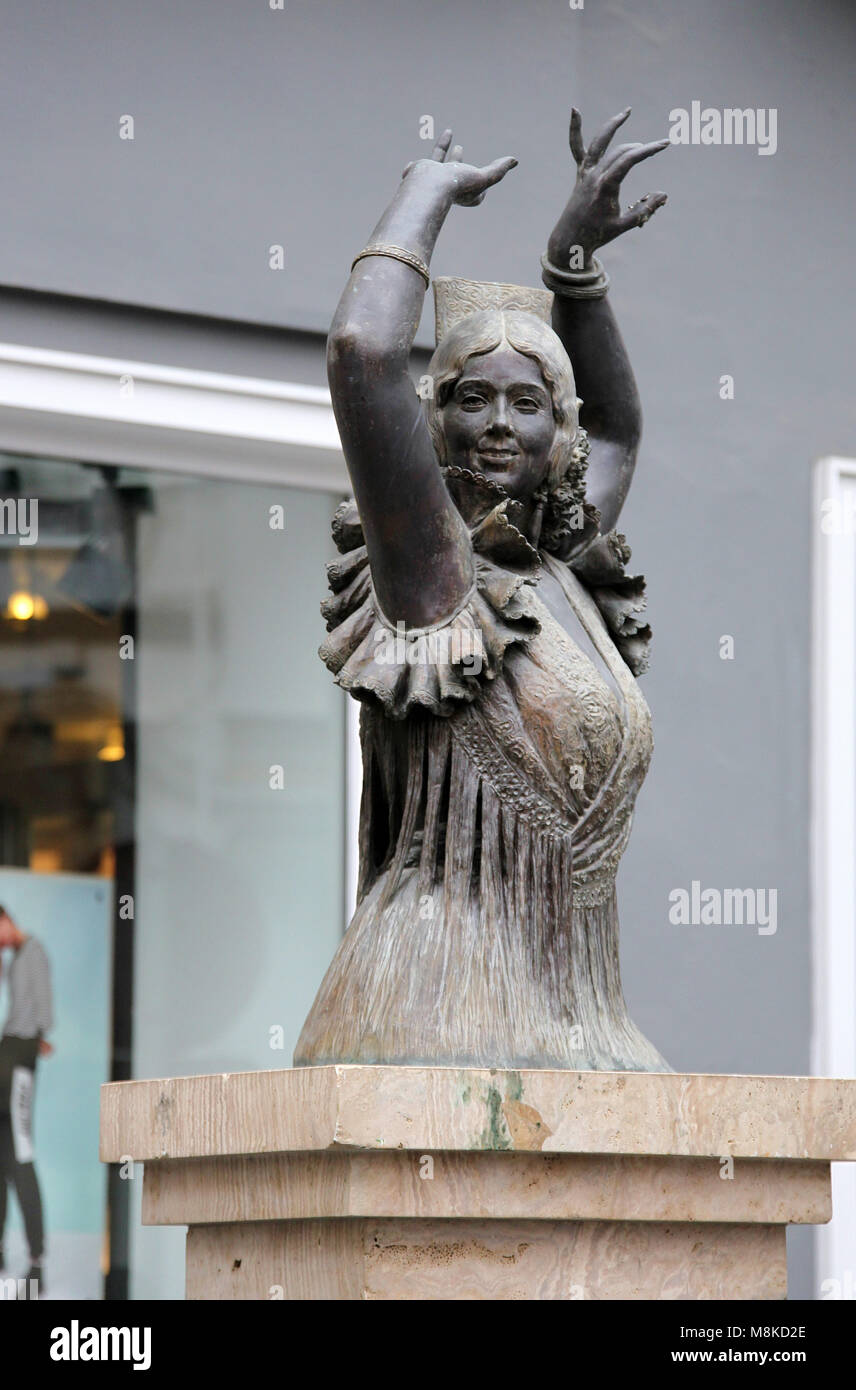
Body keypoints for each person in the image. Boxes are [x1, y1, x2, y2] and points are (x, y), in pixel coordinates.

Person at [295, 107, 673, 1072]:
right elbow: (366, 357)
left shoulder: (563, 572)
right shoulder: (435, 574)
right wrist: (426, 193)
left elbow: (621, 428)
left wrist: (573, 266)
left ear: (559, 434)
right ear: (437, 422)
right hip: (438, 1008)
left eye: (528, 402)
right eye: (471, 397)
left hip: (577, 1015)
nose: (500, 424)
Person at [0, 905, 53, 1296]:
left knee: (20, 1154)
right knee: (5, 1157)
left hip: (17, 1059)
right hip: (12, 1053)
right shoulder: (16, 956)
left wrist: (36, 1038)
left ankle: (36, 1263)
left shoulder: (32, 951)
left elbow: (41, 1011)